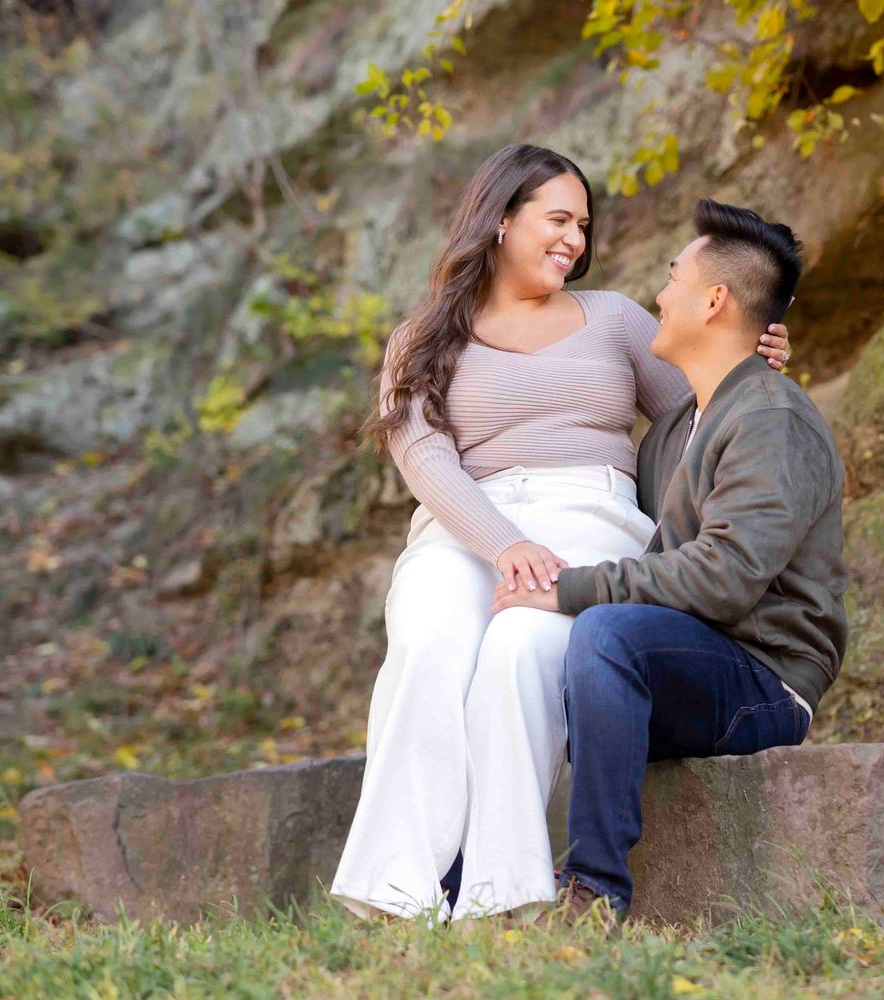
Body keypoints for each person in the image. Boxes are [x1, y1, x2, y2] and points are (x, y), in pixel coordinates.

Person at [328, 146, 794, 924]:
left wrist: (750, 361)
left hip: (590, 518)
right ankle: (394, 895)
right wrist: (503, 543)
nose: (574, 238)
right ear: (502, 217)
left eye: (583, 225)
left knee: (523, 650)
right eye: (557, 218)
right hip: (464, 527)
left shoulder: (612, 318)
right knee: (432, 641)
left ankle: (501, 898)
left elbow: (699, 413)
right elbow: (423, 454)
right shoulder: (420, 338)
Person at [491, 198, 848, 920]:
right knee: (532, 655)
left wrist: (569, 588)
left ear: (715, 300)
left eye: (673, 276)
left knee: (603, 631)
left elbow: (723, 579)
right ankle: (470, 879)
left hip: (766, 677)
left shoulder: (770, 418)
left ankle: (593, 890)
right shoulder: (678, 430)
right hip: (696, 657)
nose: (660, 295)